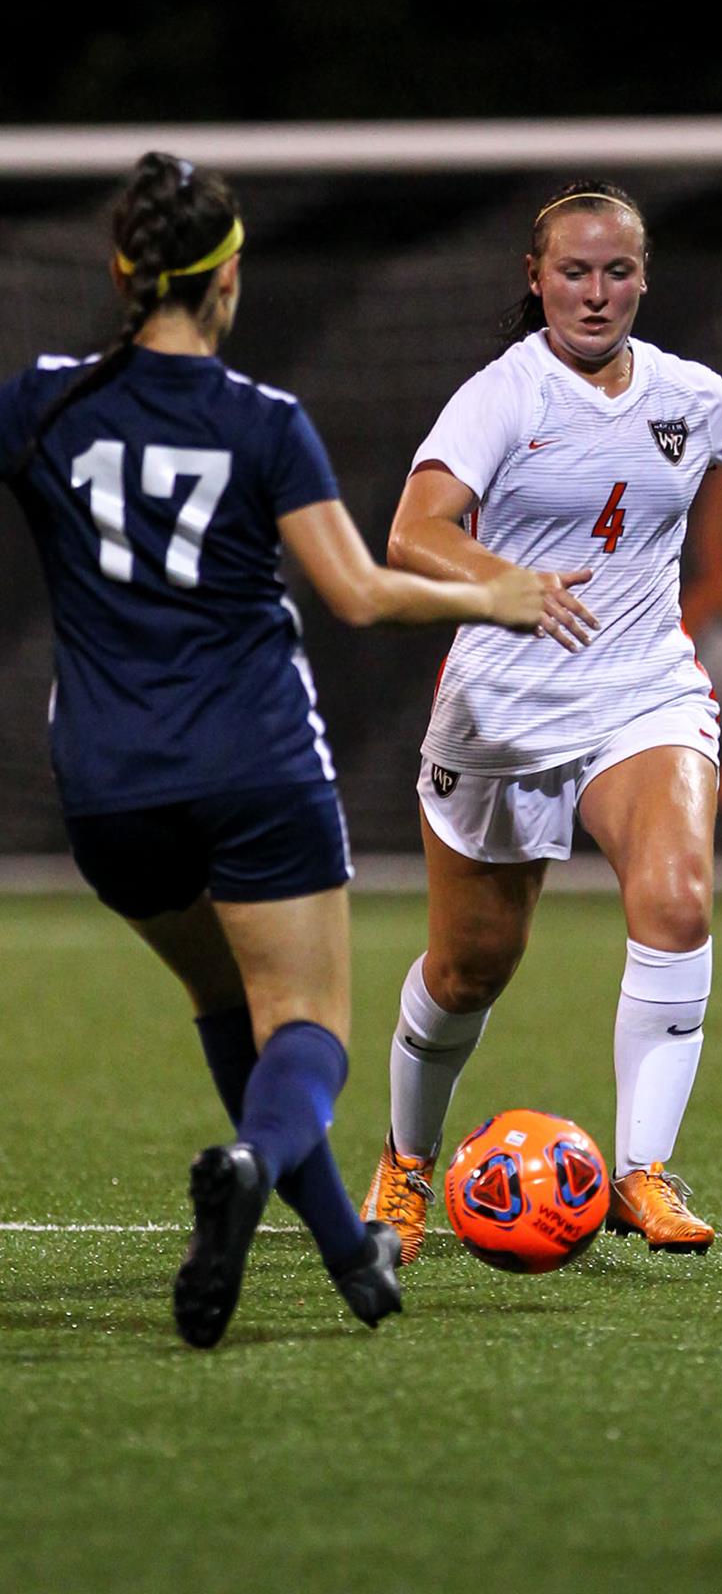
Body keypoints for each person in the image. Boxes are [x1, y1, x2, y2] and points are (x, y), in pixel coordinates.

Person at [0, 151, 577, 1349]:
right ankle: (252, 1157)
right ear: (228, 280)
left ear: (122, 270)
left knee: (224, 996)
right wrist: (500, 598)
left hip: (108, 783)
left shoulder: (42, 402)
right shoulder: (260, 423)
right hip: (256, 762)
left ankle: (342, 1251)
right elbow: (360, 595)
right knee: (304, 1023)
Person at [360, 179, 722, 1262]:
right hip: (503, 707)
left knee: (675, 900)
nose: (594, 292)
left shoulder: (682, 390)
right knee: (467, 968)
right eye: (572, 271)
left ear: (642, 278)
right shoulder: (503, 395)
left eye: (615, 270)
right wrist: (504, 582)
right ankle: (404, 1164)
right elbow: (411, 534)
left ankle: (641, 1174)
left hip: (641, 690)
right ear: (535, 280)